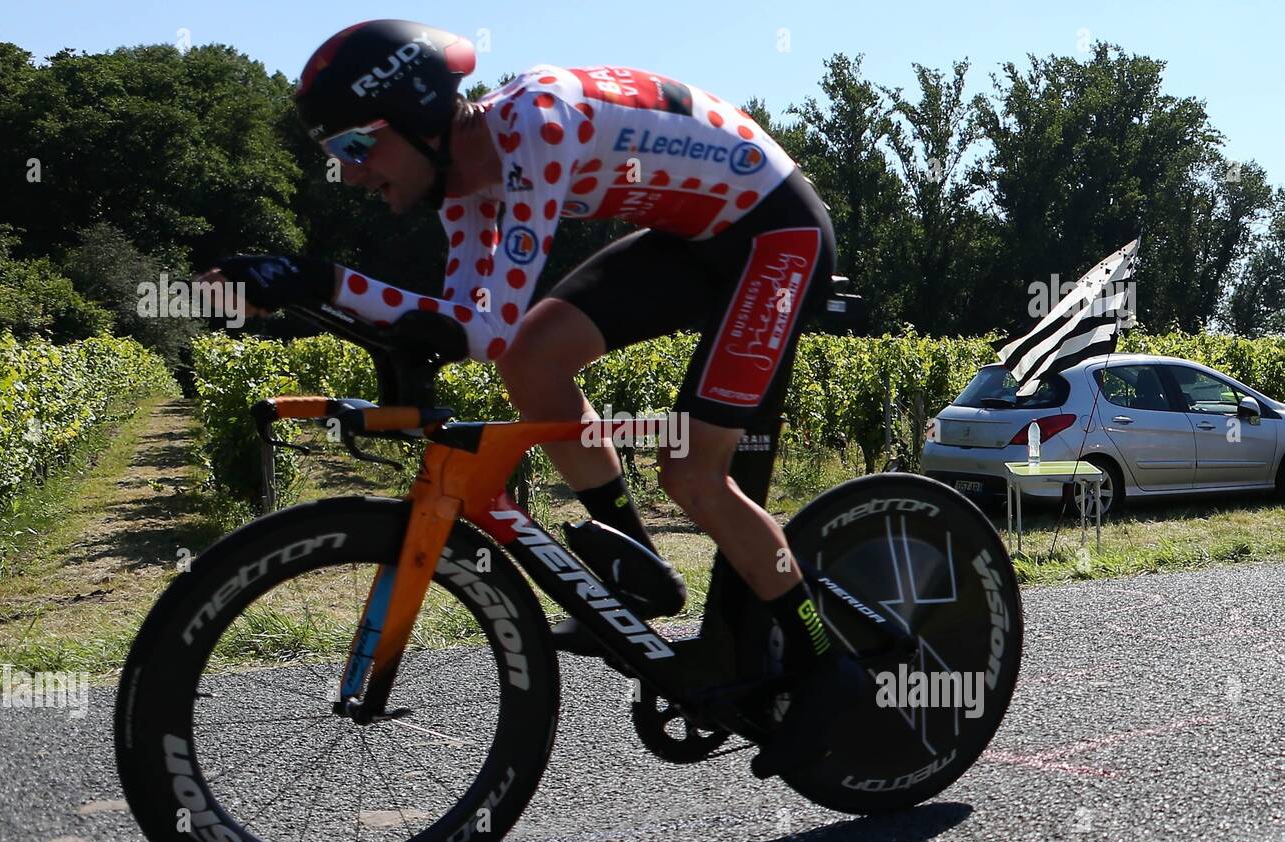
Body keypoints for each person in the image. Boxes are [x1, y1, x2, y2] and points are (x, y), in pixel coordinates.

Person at [200, 19, 867, 779]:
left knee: (691, 474)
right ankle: (635, 567)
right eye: (335, 157)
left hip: (775, 235)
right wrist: (300, 291)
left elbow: (475, 327)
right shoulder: (468, 183)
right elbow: (467, 327)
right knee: (531, 359)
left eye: (354, 148)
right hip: (696, 236)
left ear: (418, 119)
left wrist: (313, 277)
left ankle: (828, 669)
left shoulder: (535, 131)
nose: (349, 176)